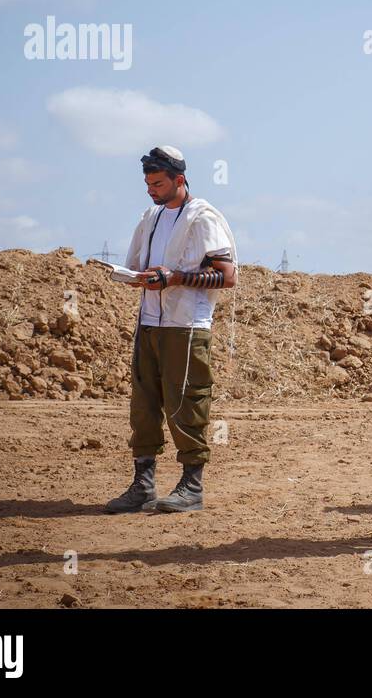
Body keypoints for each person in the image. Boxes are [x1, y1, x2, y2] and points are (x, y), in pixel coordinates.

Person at [105, 146, 237, 514]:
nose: (151, 190)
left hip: (186, 327)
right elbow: (137, 266)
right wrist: (138, 279)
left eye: (158, 183)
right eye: (148, 183)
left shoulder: (203, 218)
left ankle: (191, 486)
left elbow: (226, 277)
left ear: (179, 180)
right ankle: (142, 486)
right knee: (144, 405)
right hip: (149, 322)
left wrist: (174, 278)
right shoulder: (150, 217)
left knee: (186, 403)